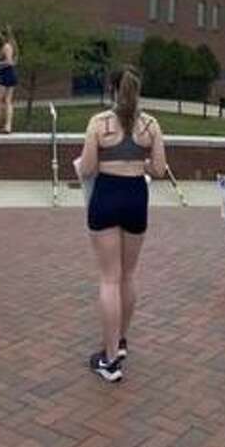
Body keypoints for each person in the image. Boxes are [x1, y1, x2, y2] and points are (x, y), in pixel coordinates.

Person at [78, 67, 167, 382]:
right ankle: (121, 340)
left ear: (113, 89)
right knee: (127, 275)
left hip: (106, 195)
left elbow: (88, 167)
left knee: (109, 279)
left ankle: (110, 357)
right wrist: (137, 161)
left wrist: (104, 159)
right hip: (135, 197)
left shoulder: (99, 123)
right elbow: (158, 169)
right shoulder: (151, 125)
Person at [0, 27, 18, 134]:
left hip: (5, 74)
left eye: (0, 35)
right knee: (8, 101)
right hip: (11, 73)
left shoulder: (7, 46)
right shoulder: (13, 46)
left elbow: (9, 62)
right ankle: (8, 126)